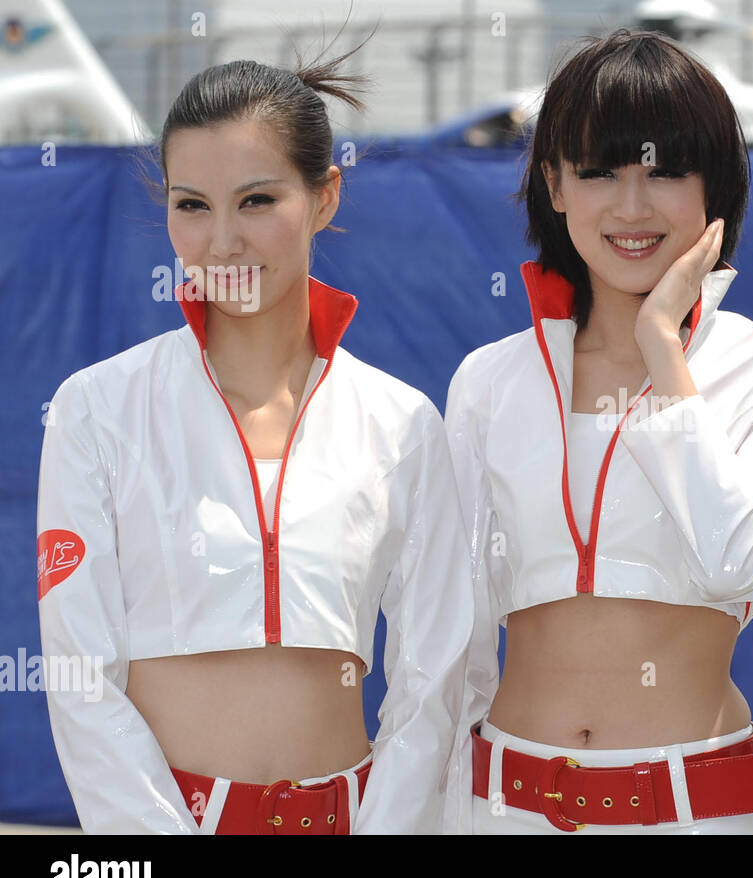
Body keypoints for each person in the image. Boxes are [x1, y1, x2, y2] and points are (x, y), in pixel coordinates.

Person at [36, 48, 474, 834]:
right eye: (192, 205)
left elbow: (434, 680)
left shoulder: (403, 423)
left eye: (258, 200)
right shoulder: (96, 410)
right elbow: (80, 680)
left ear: (325, 195)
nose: (223, 242)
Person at [444, 29, 753, 834]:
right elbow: (458, 638)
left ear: (713, 188)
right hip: (506, 807)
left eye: (664, 170)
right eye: (598, 173)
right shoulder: (488, 380)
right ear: (553, 183)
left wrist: (664, 347)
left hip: (695, 808)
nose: (631, 206)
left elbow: (732, 560)